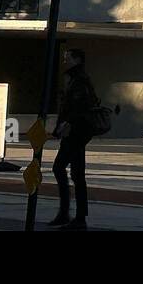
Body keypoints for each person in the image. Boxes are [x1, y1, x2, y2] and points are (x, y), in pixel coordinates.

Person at [49, 48, 97, 230]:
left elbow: (77, 107)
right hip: (78, 131)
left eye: (67, 58)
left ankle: (68, 213)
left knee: (59, 167)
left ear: (77, 59)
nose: (64, 61)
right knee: (77, 174)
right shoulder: (78, 78)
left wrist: (66, 123)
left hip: (76, 132)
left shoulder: (79, 80)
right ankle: (76, 216)